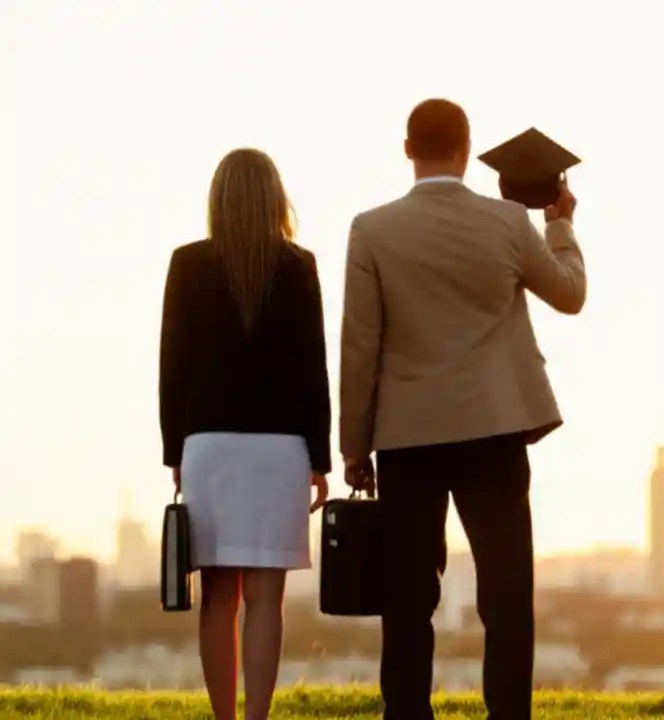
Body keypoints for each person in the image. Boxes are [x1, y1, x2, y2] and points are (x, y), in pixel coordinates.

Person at [340, 99, 586, 720]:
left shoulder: (372, 230)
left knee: (407, 597)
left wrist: (353, 444)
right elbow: (570, 294)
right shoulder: (506, 223)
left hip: (407, 437)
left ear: (406, 150)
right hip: (493, 431)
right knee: (506, 596)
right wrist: (559, 224)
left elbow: (359, 344)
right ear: (465, 148)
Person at [159, 148, 331, 720]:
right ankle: (257, 716)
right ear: (275, 199)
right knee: (265, 600)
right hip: (280, 449)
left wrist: (173, 452)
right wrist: (320, 456)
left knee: (218, 598)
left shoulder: (186, 263)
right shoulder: (298, 265)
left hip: (207, 446)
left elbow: (172, 365)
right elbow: (314, 368)